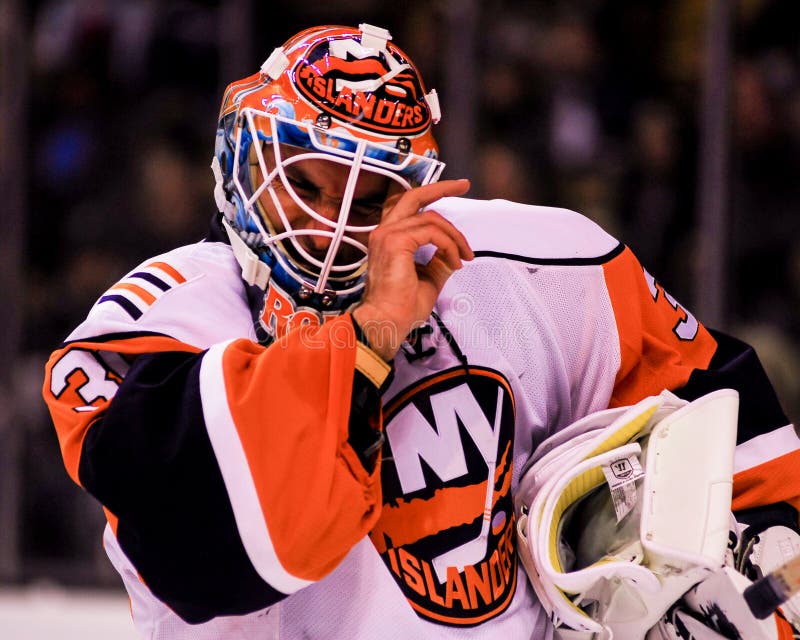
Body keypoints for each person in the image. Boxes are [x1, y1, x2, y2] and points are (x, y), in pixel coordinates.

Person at [42, 23, 800, 640]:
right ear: (244, 163)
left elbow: (723, 419)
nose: (332, 231)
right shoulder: (154, 323)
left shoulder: (541, 266)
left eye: (370, 198)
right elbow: (213, 555)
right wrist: (369, 335)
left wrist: (768, 563)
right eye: (306, 184)